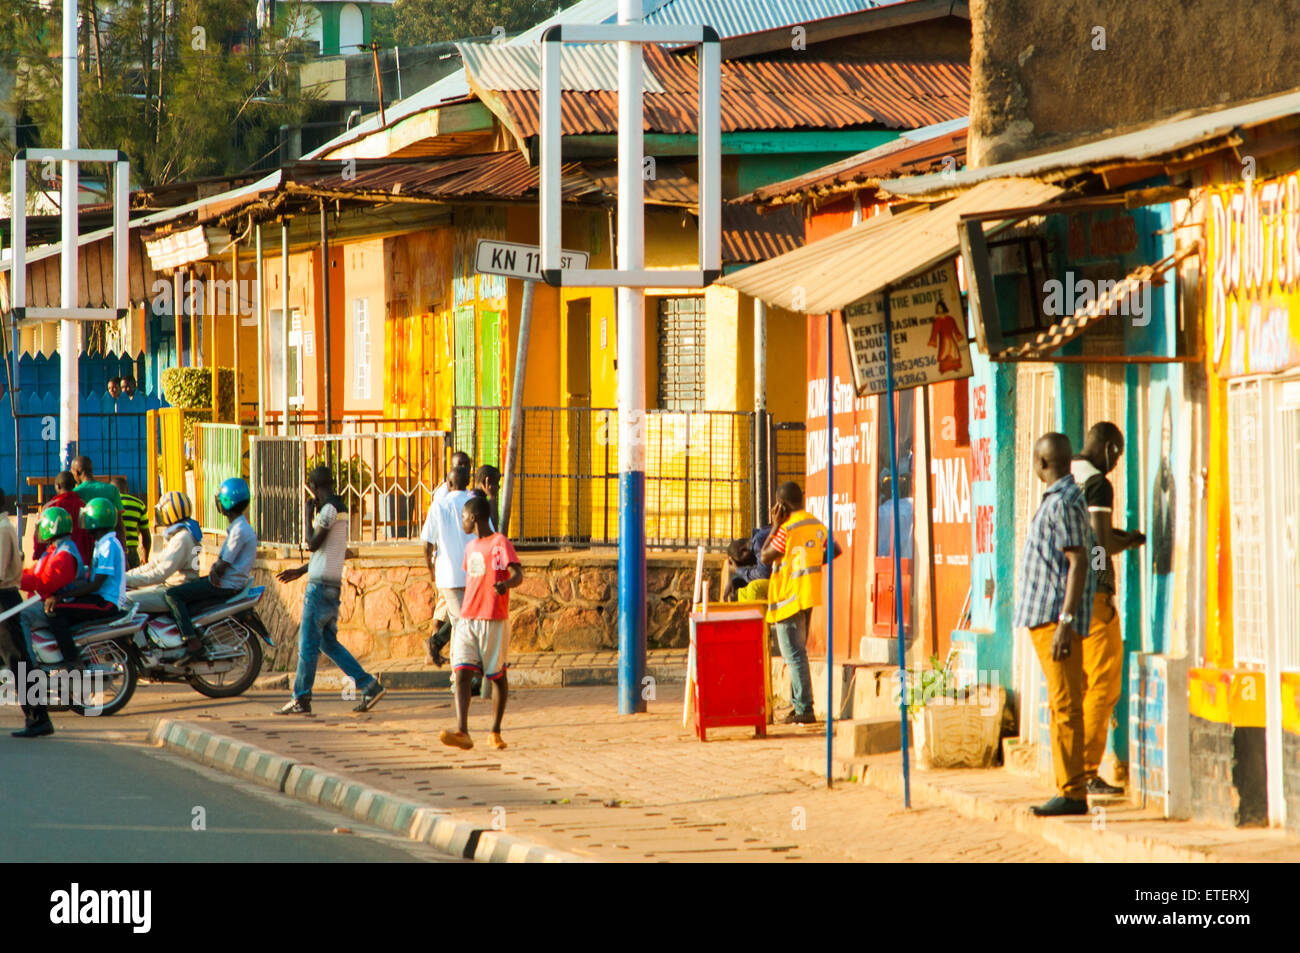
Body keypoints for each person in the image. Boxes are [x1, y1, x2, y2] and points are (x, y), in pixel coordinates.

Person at [1016, 432, 1097, 817]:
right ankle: (1068, 787)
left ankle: (1073, 793)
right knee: (1060, 703)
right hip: (1047, 618)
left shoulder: (1063, 502)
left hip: (1055, 619)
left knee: (1066, 705)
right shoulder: (1059, 498)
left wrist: (1065, 621)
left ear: (1042, 463)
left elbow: (1079, 560)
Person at [1071, 421, 1145, 797]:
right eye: (1117, 454)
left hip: (1065, 600)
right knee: (1103, 683)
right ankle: (1086, 770)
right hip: (1092, 598)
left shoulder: (1065, 476)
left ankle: (1070, 770)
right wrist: (1103, 585)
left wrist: (1125, 540)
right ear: (1109, 448)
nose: (1115, 463)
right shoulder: (1098, 483)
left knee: (1077, 686)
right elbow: (1098, 544)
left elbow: (1089, 537)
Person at [274, 467, 385, 714]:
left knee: (307, 645)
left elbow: (313, 544)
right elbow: (327, 551)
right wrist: (301, 571)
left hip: (320, 588)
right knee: (328, 643)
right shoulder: (340, 509)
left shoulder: (329, 510)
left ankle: (301, 698)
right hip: (330, 584)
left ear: (313, 486)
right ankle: (369, 685)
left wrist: (306, 516)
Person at [440, 495, 522, 751]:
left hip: (493, 618)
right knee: (462, 672)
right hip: (468, 617)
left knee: (496, 676)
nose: (462, 521)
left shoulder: (500, 543)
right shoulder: (470, 547)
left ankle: (495, 731)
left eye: (464, 517)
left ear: (473, 517)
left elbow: (517, 573)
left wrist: (506, 584)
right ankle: (462, 730)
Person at [761, 481, 841, 725]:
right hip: (808, 594)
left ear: (780, 505)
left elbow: (765, 556)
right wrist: (814, 561)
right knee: (798, 653)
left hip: (789, 598)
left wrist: (774, 526)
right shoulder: (815, 524)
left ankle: (805, 708)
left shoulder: (787, 528)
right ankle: (798, 706)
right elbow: (835, 549)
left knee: (794, 656)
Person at [163, 477, 257, 662]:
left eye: (219, 499)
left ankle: (192, 643)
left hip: (224, 585)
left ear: (227, 502)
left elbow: (223, 564)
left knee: (173, 595)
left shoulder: (239, 530)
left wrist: (213, 574)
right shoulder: (240, 527)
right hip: (228, 582)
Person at [40, 499, 128, 667]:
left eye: (87, 518)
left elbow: (96, 584)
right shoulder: (102, 543)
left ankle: (72, 659)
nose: (84, 522)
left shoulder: (108, 545)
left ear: (95, 520)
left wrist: (61, 596)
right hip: (100, 597)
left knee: (55, 611)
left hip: (107, 602)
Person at [0, 490, 52, 738]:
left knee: (18, 661)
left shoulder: (1, 528)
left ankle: (38, 717)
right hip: (6, 597)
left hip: (3, 599)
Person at [421, 465, 473, 669]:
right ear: (467, 481)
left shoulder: (438, 505)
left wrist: (431, 570)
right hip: (471, 573)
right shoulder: (474, 503)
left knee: (459, 621)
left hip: (447, 575)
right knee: (463, 625)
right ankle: (461, 673)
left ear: (449, 484)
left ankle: (452, 666)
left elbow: (426, 543)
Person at [124, 491, 202, 613]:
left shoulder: (182, 538)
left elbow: (160, 573)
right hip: (171, 587)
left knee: (125, 601)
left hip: (176, 591)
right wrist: (127, 575)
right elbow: (155, 563)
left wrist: (126, 580)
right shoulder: (180, 535)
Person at [35, 471, 90, 564]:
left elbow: (40, 537)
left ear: (58, 486)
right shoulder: (83, 507)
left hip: (56, 561)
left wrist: (39, 556)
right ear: (74, 486)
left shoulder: (50, 508)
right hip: (80, 562)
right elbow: (88, 536)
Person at [71, 456, 126, 546]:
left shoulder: (75, 494)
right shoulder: (112, 489)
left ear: (76, 473)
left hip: (86, 544)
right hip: (109, 543)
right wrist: (123, 550)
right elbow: (119, 524)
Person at [721, 524, 771, 601]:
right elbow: (757, 572)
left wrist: (738, 570)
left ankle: (755, 613)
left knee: (753, 588)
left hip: (785, 576)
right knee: (742, 592)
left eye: (744, 563)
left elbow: (763, 573)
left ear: (743, 551)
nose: (749, 564)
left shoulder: (758, 541)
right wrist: (736, 582)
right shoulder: (758, 539)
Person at [112, 477, 150, 570]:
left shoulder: (109, 503)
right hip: (132, 551)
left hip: (113, 549)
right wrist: (145, 557)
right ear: (127, 489)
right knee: (133, 580)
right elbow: (146, 535)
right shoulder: (139, 504)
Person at [474, 464, 501, 531]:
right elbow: (493, 527)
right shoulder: (478, 501)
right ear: (486, 482)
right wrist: (492, 497)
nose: (498, 487)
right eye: (496, 483)